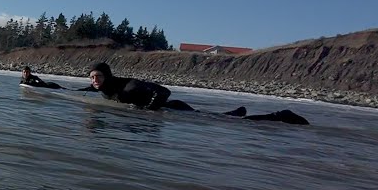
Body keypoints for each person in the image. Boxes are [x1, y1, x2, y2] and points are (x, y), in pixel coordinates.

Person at [80, 62, 308, 124]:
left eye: (97, 76)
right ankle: (235, 112)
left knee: (236, 124)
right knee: (221, 119)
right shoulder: (105, 87)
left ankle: (280, 116)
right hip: (172, 110)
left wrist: (147, 111)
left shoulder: (128, 85)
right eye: (91, 77)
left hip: (175, 108)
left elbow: (164, 91)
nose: (94, 81)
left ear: (108, 76)